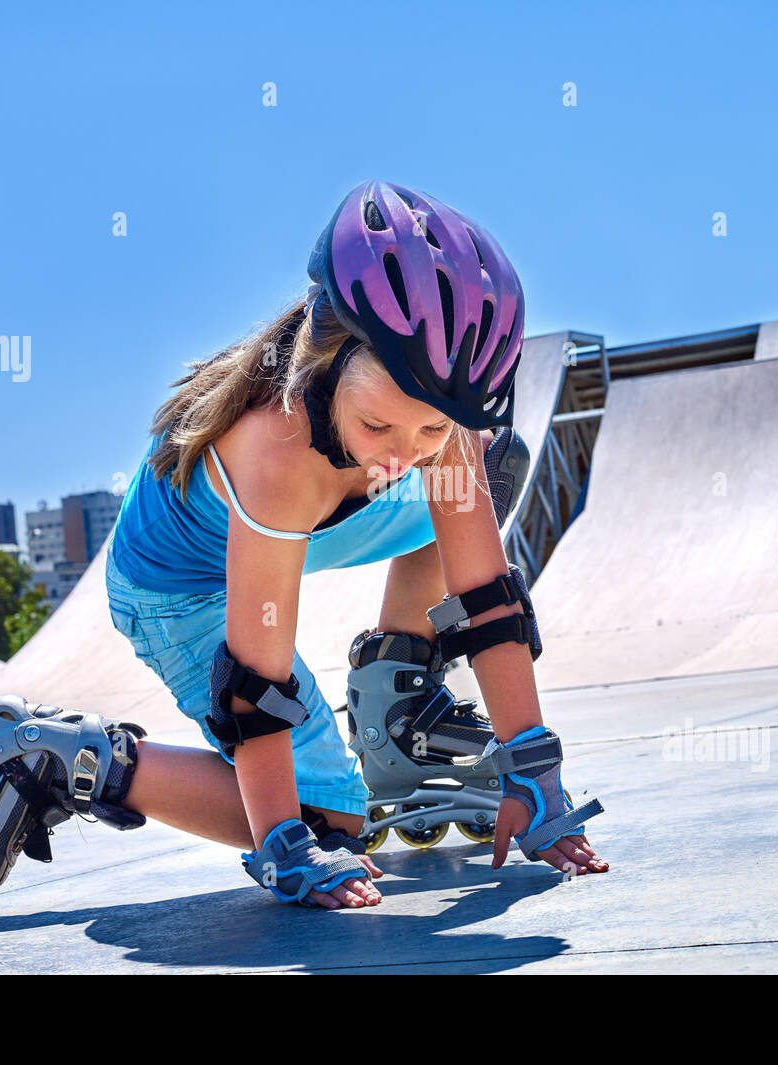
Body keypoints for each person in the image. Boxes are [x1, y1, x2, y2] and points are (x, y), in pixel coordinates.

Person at [103, 179, 608, 909]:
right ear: (327, 363)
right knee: (331, 820)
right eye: (380, 427)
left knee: (480, 471)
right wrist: (283, 838)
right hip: (178, 583)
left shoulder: (423, 415)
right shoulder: (274, 453)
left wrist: (533, 768)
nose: (405, 455)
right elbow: (255, 686)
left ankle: (394, 710)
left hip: (319, 512)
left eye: (432, 432)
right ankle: (76, 764)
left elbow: (486, 597)